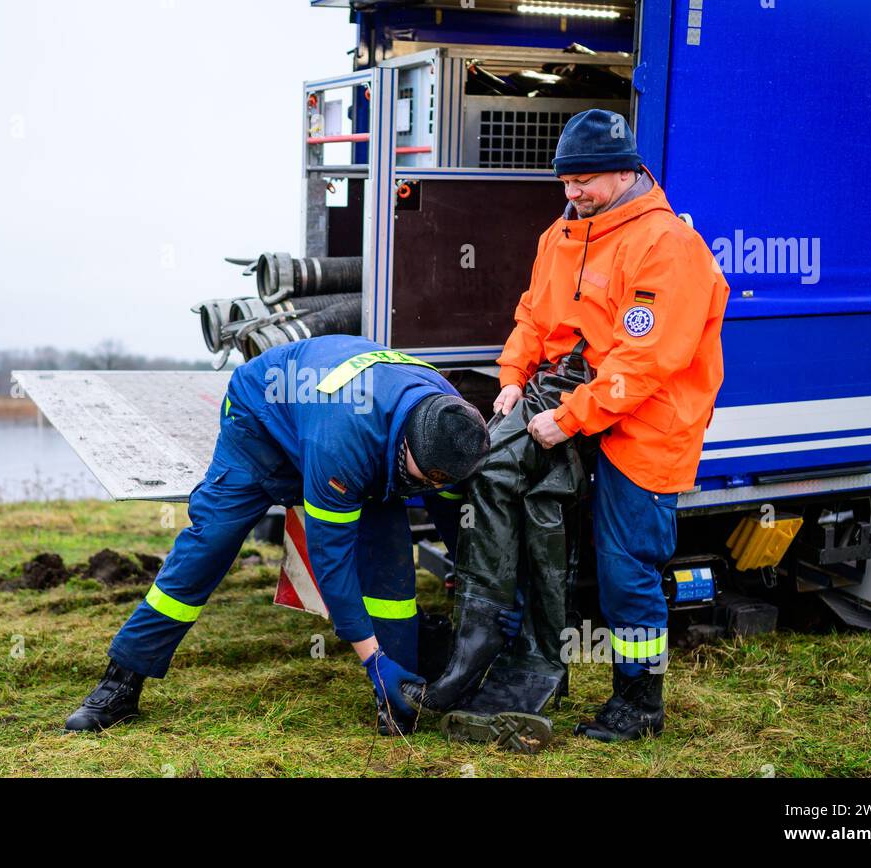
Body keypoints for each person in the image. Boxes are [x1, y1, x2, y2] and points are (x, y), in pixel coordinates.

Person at [404, 108, 730, 748]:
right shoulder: (562, 234)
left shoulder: (667, 246)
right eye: (566, 181)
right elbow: (533, 316)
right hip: (572, 403)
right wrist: (513, 377)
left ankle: (640, 701)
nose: (573, 192)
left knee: (627, 568)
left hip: (647, 424)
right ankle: (522, 662)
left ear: (627, 170)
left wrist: (566, 419)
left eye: (585, 180)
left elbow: (645, 363)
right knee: (499, 490)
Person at [63, 334, 493, 737]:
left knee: (391, 563)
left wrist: (492, 603)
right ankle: (121, 681)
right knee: (210, 544)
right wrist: (373, 661)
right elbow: (331, 561)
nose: (430, 485)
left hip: (355, 431)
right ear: (405, 446)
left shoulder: (450, 425)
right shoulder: (342, 443)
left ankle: (401, 697)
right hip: (262, 425)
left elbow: (458, 524)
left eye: (437, 480)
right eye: (423, 478)